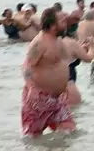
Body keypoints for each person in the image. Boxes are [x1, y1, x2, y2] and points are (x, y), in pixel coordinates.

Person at [21, 8, 76, 137]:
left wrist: (64, 85)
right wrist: (30, 87)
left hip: (57, 99)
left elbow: (64, 61)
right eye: (62, 21)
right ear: (52, 25)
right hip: (39, 98)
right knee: (33, 137)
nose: (65, 23)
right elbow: (26, 67)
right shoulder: (39, 43)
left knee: (70, 131)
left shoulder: (58, 41)